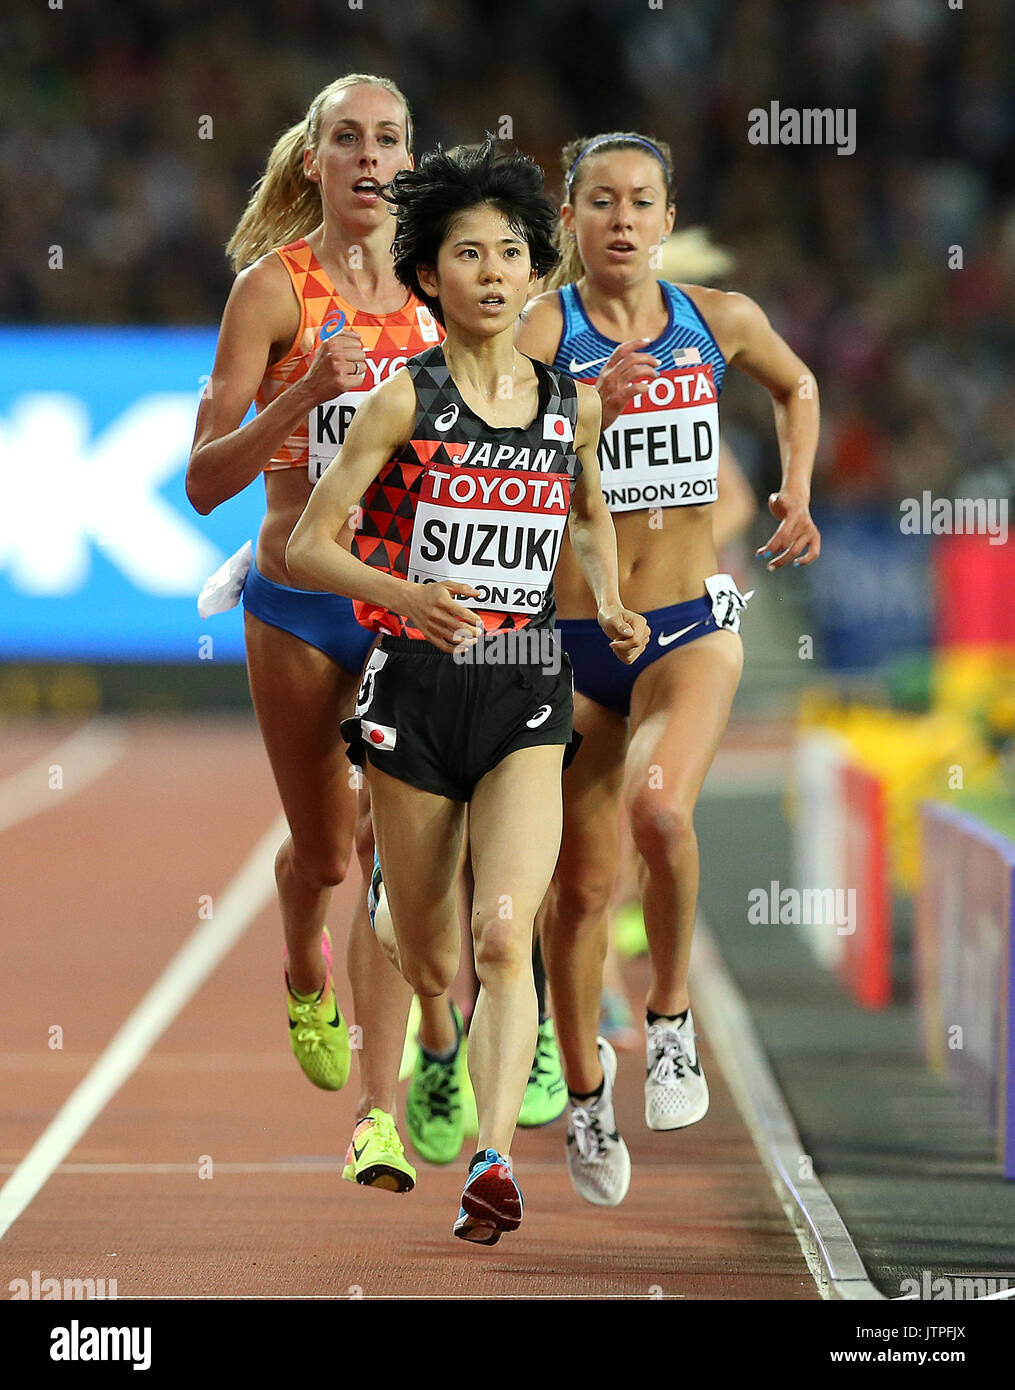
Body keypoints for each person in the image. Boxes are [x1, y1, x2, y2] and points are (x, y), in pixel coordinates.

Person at [286, 138, 649, 1243]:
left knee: (505, 932)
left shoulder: (569, 405)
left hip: (524, 687)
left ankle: (493, 1161)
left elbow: (585, 510)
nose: (491, 273)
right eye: (465, 254)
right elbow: (308, 546)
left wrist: (612, 594)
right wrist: (409, 592)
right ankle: (399, 911)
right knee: (435, 956)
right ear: (429, 277)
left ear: (536, 272)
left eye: (507, 254)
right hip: (415, 687)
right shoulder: (406, 399)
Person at [516, 131, 821, 1206]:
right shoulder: (537, 329)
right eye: (599, 201)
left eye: (640, 200)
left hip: (692, 624)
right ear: (571, 219)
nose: (622, 219)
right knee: (581, 887)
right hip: (575, 637)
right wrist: (585, 406)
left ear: (663, 211)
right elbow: (484, 445)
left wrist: (793, 490)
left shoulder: (717, 321)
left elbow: (798, 385)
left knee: (661, 813)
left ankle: (673, 1016)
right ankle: (590, 1097)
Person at [187, 73, 459, 1194]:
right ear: (314, 160)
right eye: (345, 138)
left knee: (394, 858)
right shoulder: (273, 289)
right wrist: (301, 399)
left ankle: (377, 1113)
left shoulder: (451, 286)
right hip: (299, 596)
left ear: (409, 159)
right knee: (327, 850)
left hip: (407, 597)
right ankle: (304, 963)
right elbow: (204, 482)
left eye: (387, 138)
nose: (368, 156)